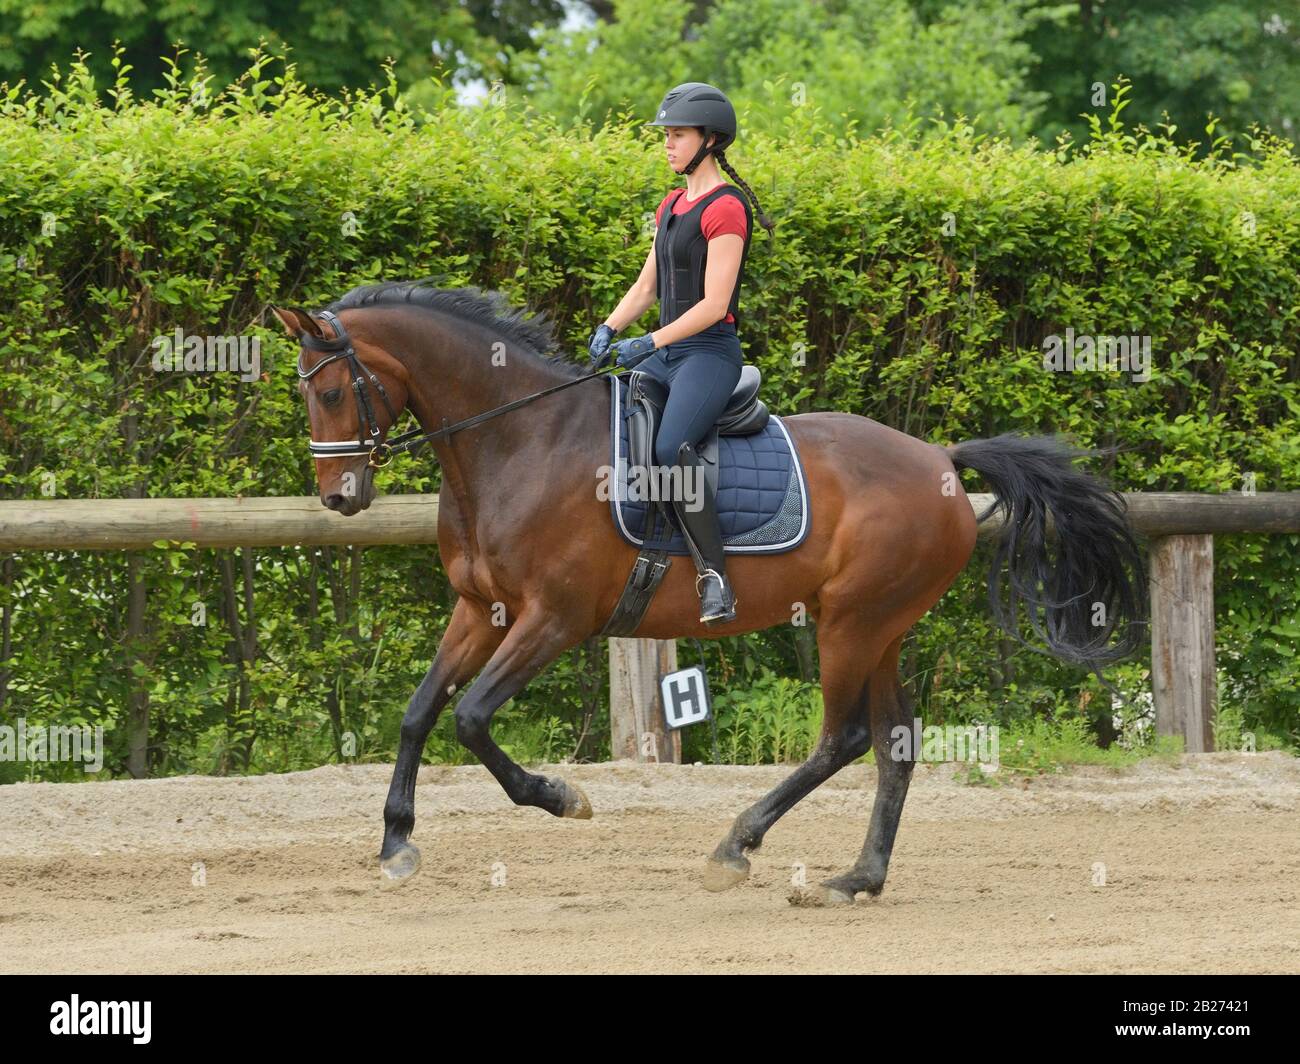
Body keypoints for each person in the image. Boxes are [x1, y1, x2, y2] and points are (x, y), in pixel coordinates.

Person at [588, 82, 776, 626]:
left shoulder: (727, 209)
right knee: (606, 416)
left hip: (707, 355)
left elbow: (715, 305)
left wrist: (649, 341)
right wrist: (609, 326)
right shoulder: (671, 204)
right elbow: (648, 287)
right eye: (666, 136)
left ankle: (713, 576)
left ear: (710, 140)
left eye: (677, 135)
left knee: (671, 448)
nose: (667, 145)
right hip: (667, 351)